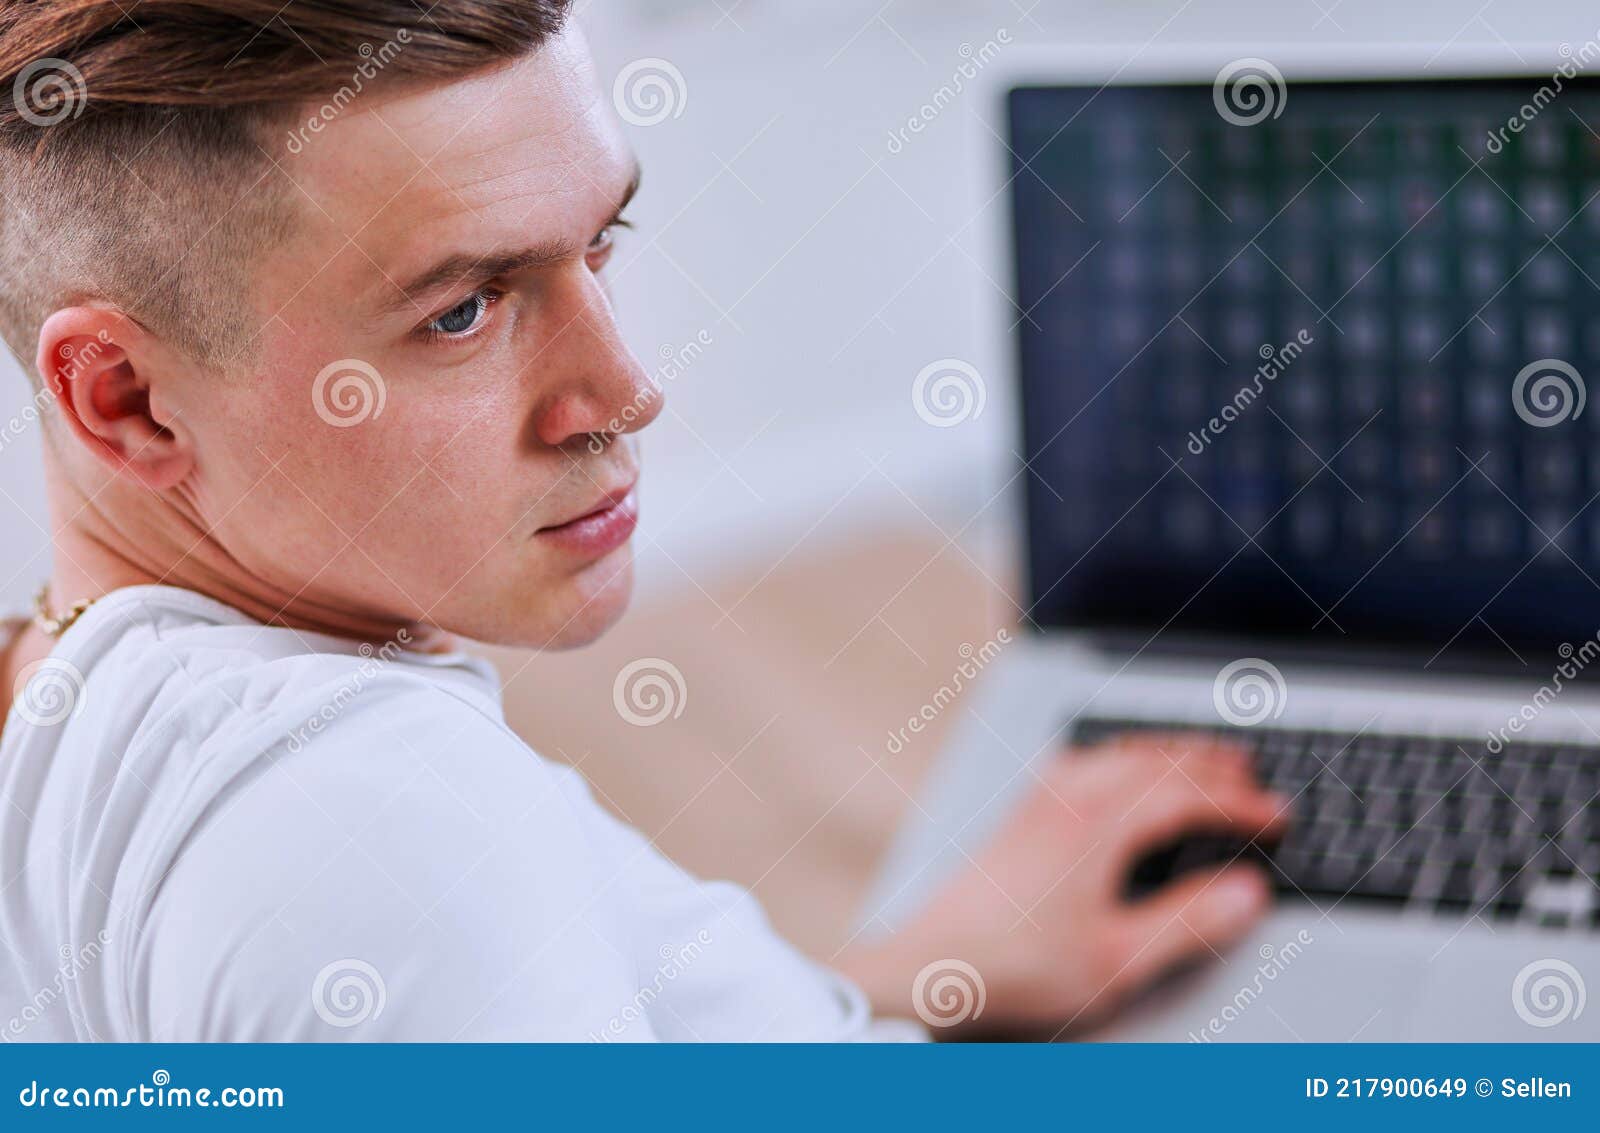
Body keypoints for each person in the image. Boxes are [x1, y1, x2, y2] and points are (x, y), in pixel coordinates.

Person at [0, 0, 1287, 1041]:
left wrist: (906, 976)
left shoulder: (55, 684)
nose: (624, 391)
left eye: (599, 245)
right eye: (463, 309)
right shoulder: (389, 831)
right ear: (127, 400)